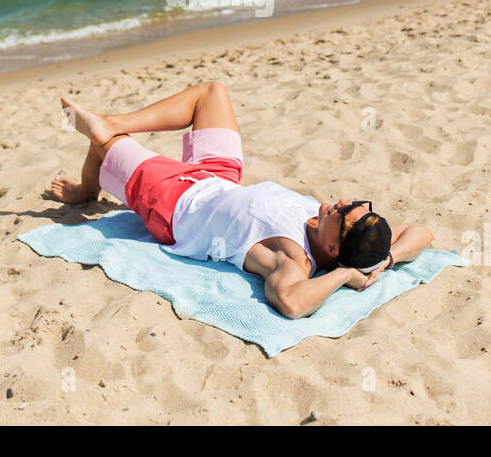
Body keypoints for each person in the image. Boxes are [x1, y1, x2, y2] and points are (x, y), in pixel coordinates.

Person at [50, 81, 434, 319]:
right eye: (355, 204)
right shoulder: (348, 235)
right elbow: (422, 232)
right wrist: (388, 260)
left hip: (176, 202)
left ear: (333, 246)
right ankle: (113, 124)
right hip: (219, 180)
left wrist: (344, 275)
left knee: (103, 144)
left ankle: (86, 191)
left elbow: (293, 302)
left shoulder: (293, 258)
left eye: (344, 212)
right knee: (211, 93)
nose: (342, 202)